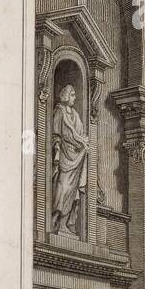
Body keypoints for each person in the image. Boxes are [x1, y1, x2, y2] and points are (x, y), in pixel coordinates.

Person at [49, 84, 89, 238]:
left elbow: (81, 135)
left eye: (74, 95)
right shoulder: (59, 112)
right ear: (65, 96)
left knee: (73, 193)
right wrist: (57, 152)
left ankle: (66, 223)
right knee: (61, 187)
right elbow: (56, 134)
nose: (74, 97)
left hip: (77, 157)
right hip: (64, 156)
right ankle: (54, 219)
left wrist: (82, 143)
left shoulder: (76, 115)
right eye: (72, 95)